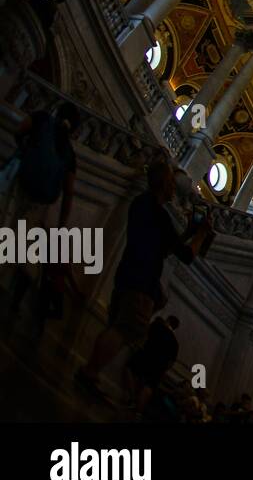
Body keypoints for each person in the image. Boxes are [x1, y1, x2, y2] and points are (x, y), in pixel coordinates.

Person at [76, 159, 211, 399]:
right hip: (142, 281)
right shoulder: (160, 215)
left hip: (127, 272)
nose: (174, 189)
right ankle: (90, 371)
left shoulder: (142, 204)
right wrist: (200, 235)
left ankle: (91, 371)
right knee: (125, 330)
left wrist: (189, 232)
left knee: (115, 328)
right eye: (171, 182)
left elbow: (165, 247)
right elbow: (187, 255)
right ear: (164, 184)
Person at [2, 101, 82, 314]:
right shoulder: (70, 154)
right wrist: (61, 226)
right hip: (39, 205)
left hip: (18, 185)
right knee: (18, 251)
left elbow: (19, 130)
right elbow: (69, 192)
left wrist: (25, 149)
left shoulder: (42, 119)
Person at [126, 315, 180, 414]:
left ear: (167, 320)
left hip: (146, 356)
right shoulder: (175, 344)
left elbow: (144, 335)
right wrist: (163, 369)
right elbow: (171, 363)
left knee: (129, 368)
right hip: (159, 367)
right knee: (149, 387)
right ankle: (137, 412)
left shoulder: (157, 326)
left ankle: (132, 398)